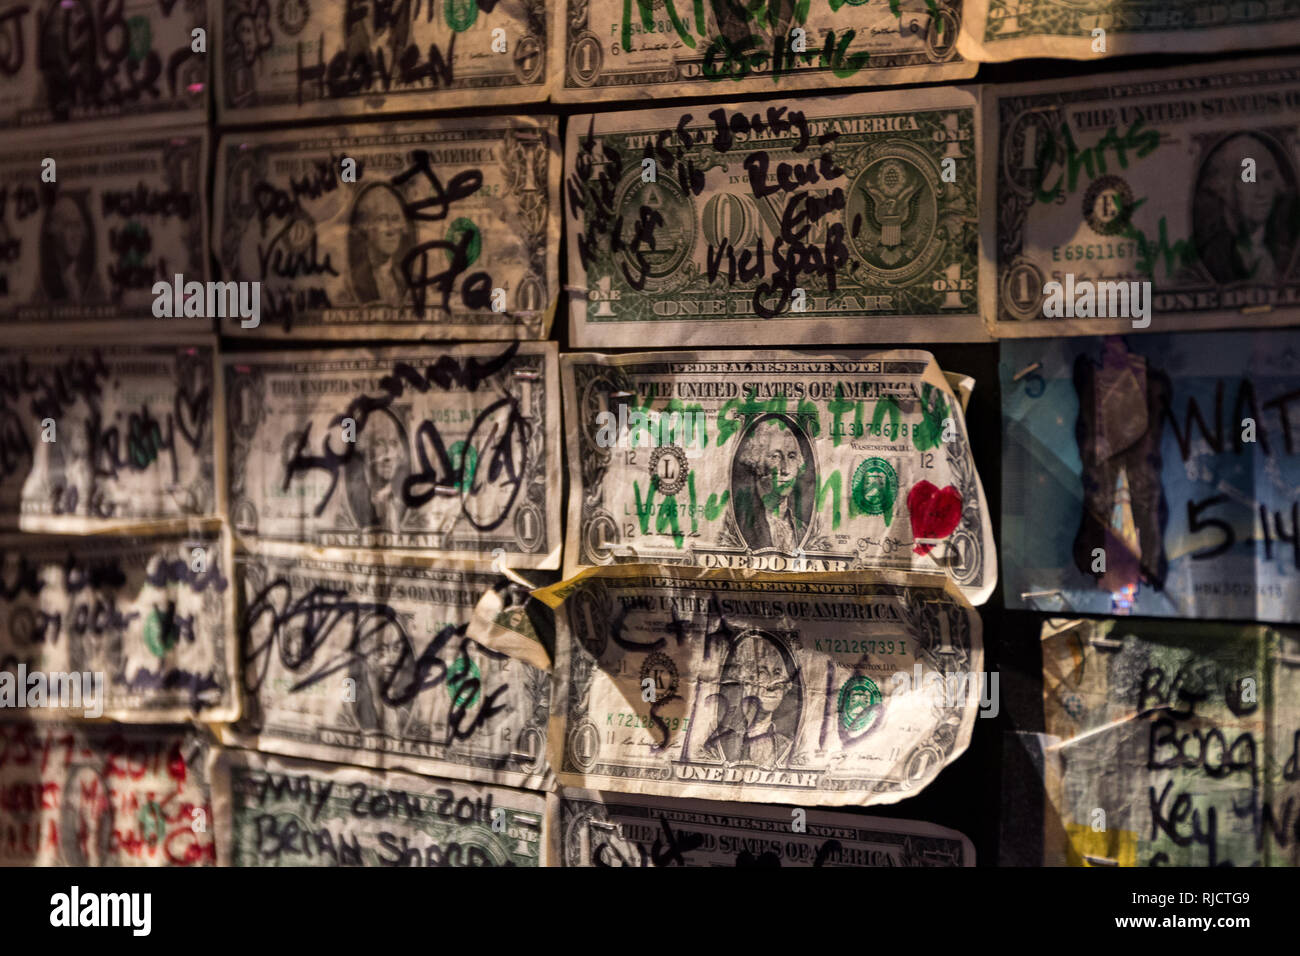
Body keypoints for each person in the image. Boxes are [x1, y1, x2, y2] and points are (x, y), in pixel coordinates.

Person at [1195, 133, 1299, 284]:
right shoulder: (1209, 257)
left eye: (1268, 177)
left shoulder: (1285, 254)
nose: (1262, 191)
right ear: (1224, 187)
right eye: (1248, 178)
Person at [712, 632, 799, 767]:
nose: (771, 685)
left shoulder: (789, 747)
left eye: (777, 674)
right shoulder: (720, 742)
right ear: (744, 683)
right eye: (762, 674)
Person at [733, 417, 811, 552]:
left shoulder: (802, 530)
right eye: (775, 456)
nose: (786, 469)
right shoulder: (741, 525)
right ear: (757, 461)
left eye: (792, 457)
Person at [344, 409, 408, 533]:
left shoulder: (400, 500)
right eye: (379, 443)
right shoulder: (356, 497)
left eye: (393, 443)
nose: (388, 455)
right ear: (365, 449)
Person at [348, 185, 412, 305]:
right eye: (381, 220)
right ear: (365, 227)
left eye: (395, 219)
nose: (391, 231)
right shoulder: (353, 279)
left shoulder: (404, 278)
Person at [40, 195, 102, 303]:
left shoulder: (84, 277)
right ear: (55, 233)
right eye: (69, 226)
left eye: (78, 226)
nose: (76, 236)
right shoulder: (48, 276)